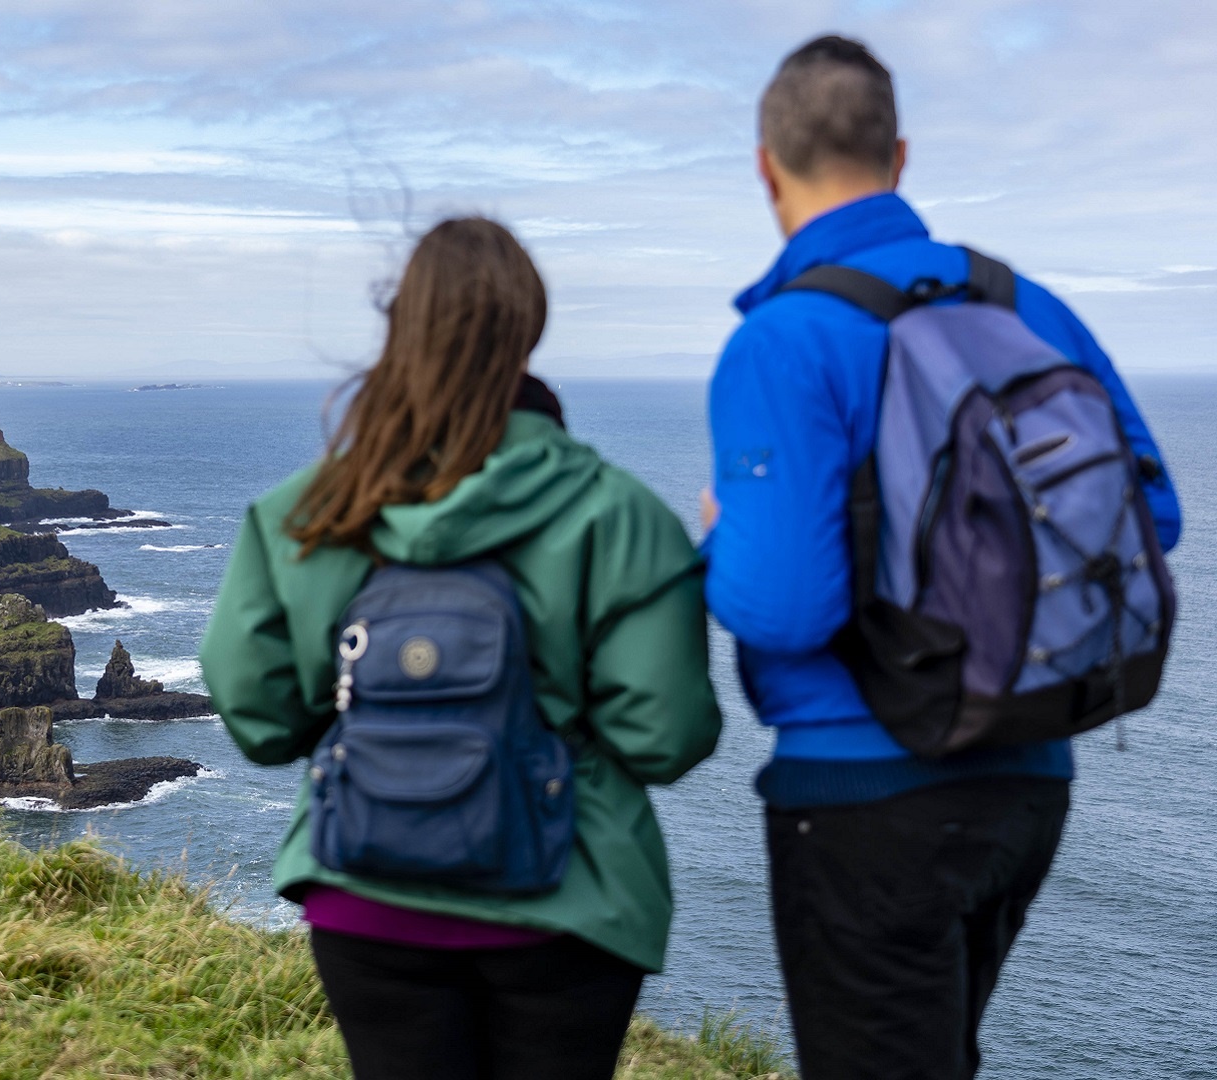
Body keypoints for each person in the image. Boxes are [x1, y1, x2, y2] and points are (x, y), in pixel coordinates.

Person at [701, 35, 1181, 1080]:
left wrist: (719, 535)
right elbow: (1156, 515)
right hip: (1031, 776)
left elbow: (783, 609)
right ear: (901, 158)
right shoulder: (1027, 306)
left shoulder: (784, 339)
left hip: (863, 794)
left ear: (765, 164)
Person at [200, 217, 722, 1080]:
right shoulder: (618, 515)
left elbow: (258, 716)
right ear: (530, 328)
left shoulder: (313, 511)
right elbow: (665, 737)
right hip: (567, 902)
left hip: (365, 899)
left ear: (402, 326)